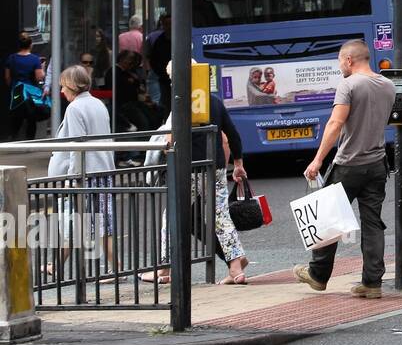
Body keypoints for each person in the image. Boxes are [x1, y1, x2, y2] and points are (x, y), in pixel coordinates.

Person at [296, 40, 395, 299]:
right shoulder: (388, 85)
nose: (340, 66)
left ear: (349, 60)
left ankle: (318, 275)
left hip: (349, 164)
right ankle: (372, 283)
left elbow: (335, 123)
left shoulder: (348, 85)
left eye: (340, 61)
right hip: (377, 164)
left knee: (328, 220)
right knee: (373, 224)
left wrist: (317, 160)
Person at [142, 61, 251, 286]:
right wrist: (238, 163)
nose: (172, 83)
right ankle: (236, 269)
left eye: (172, 79)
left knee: (171, 214)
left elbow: (171, 138)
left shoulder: (180, 103)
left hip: (190, 168)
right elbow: (232, 134)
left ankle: (164, 268)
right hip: (216, 167)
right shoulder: (214, 101)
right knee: (220, 216)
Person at [47, 65, 116, 277]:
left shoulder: (75, 108)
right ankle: (116, 268)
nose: (61, 91)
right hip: (102, 172)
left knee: (71, 222)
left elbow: (76, 146)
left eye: (62, 86)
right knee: (104, 223)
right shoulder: (97, 104)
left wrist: (74, 177)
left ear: (71, 85)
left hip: (83, 176)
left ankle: (58, 268)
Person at [5, 32, 47, 141]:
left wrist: (13, 86)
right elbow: (39, 77)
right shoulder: (34, 59)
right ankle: (29, 143)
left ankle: (13, 140)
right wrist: (42, 66)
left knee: (16, 118)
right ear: (31, 45)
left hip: (16, 91)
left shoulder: (11, 58)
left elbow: (7, 77)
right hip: (30, 93)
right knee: (31, 118)